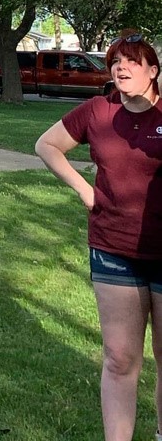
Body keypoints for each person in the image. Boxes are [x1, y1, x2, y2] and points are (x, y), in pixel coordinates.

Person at [35, 33, 162, 441]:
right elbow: (48, 145)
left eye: (132, 62)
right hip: (113, 248)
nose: (121, 68)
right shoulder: (97, 112)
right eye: (115, 62)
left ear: (153, 71)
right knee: (120, 358)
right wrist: (83, 188)